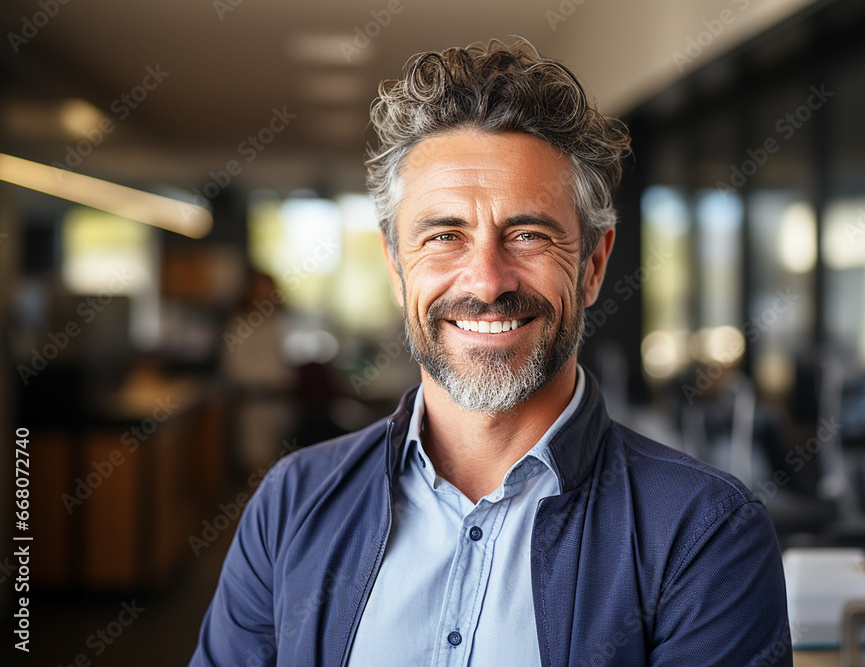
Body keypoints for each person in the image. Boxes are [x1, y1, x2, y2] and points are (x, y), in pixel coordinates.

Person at [191, 39, 792, 667]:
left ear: (593, 264)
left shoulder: (706, 535)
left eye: (528, 234)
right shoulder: (292, 504)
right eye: (445, 235)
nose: (486, 281)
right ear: (396, 268)